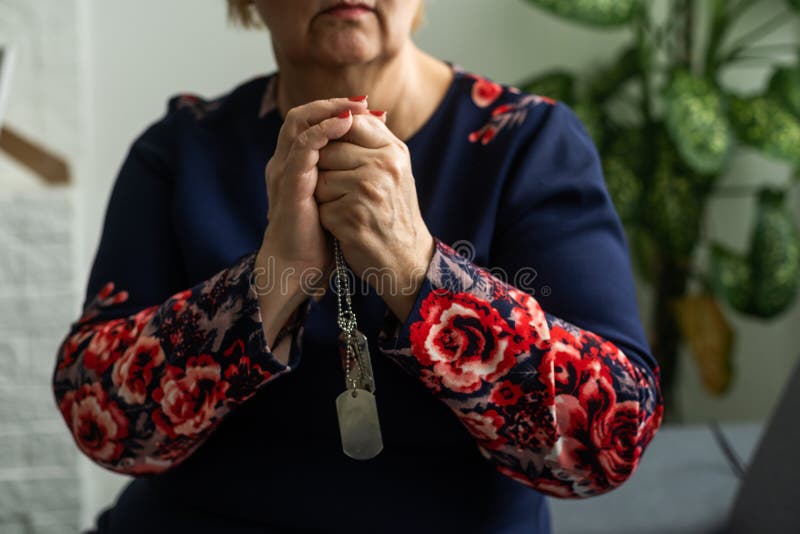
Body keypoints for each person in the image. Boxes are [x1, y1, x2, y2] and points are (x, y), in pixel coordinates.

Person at [51, 1, 664, 532]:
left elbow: (612, 441)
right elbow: (98, 418)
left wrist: (416, 272)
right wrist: (274, 279)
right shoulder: (181, 148)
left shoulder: (528, 144)